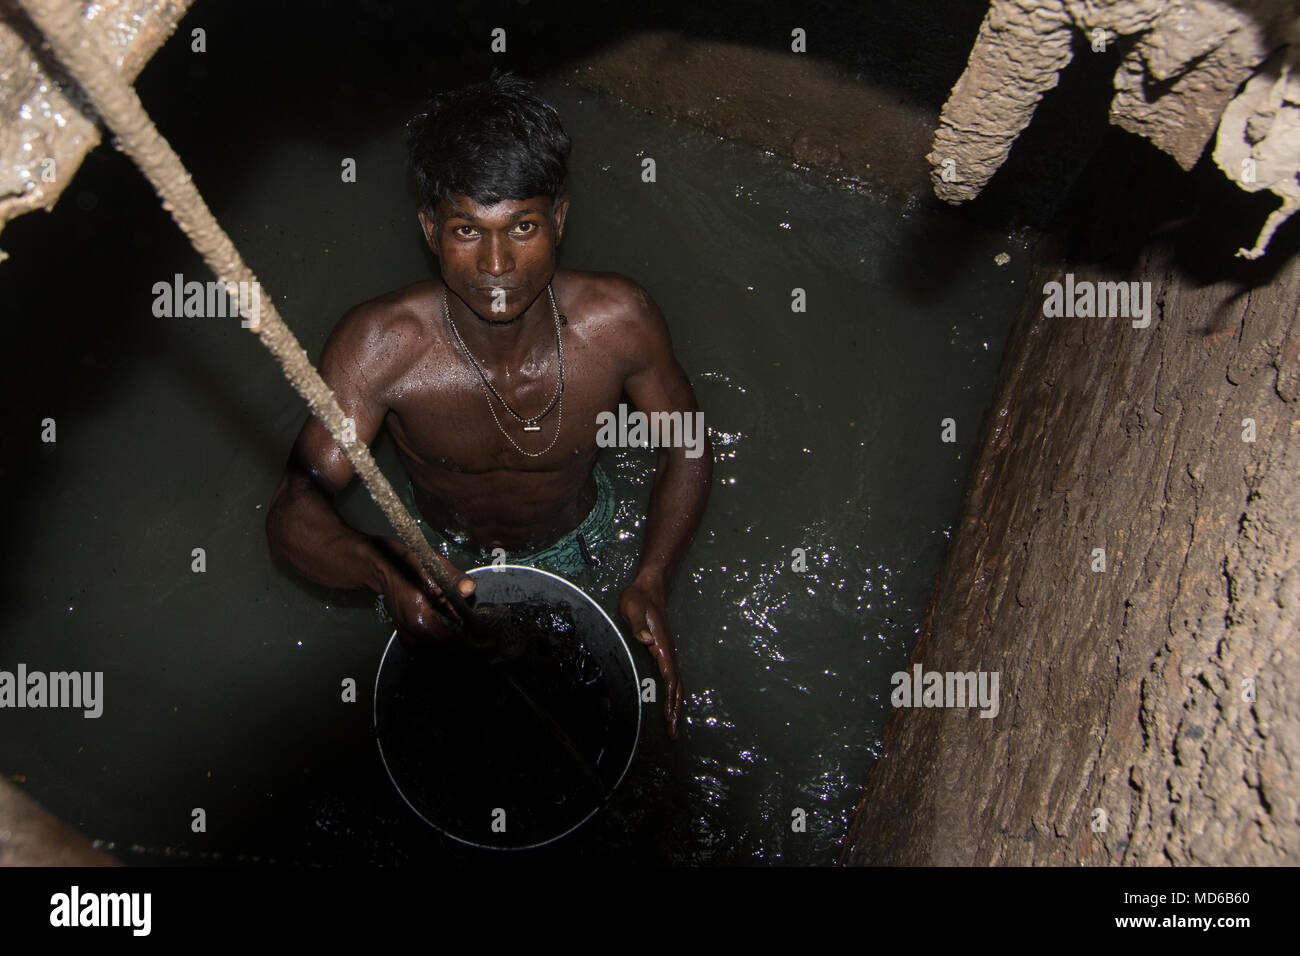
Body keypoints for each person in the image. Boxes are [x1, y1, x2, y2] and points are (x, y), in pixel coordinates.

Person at [266, 73, 712, 738]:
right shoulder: (381, 347)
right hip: (444, 553)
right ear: (429, 228)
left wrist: (651, 576)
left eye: (523, 226)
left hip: (588, 544)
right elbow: (294, 507)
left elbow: (688, 443)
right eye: (467, 230)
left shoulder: (619, 322)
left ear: (559, 219)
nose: (497, 262)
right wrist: (384, 570)